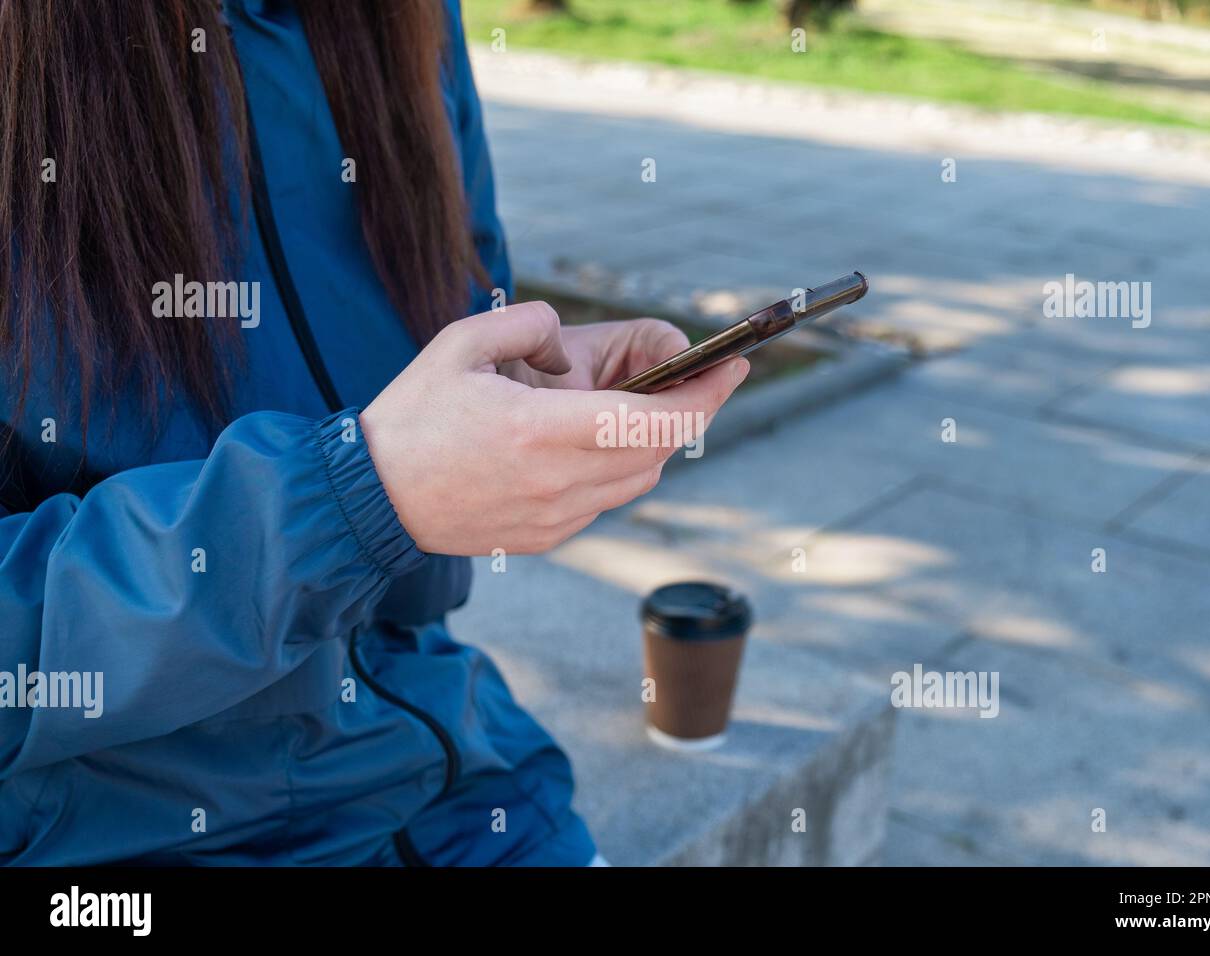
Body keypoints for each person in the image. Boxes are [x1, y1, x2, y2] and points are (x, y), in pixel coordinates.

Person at [0, 0, 747, 866]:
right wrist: (352, 500)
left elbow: (457, 313)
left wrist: (524, 382)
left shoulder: (413, 17)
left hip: (458, 778)